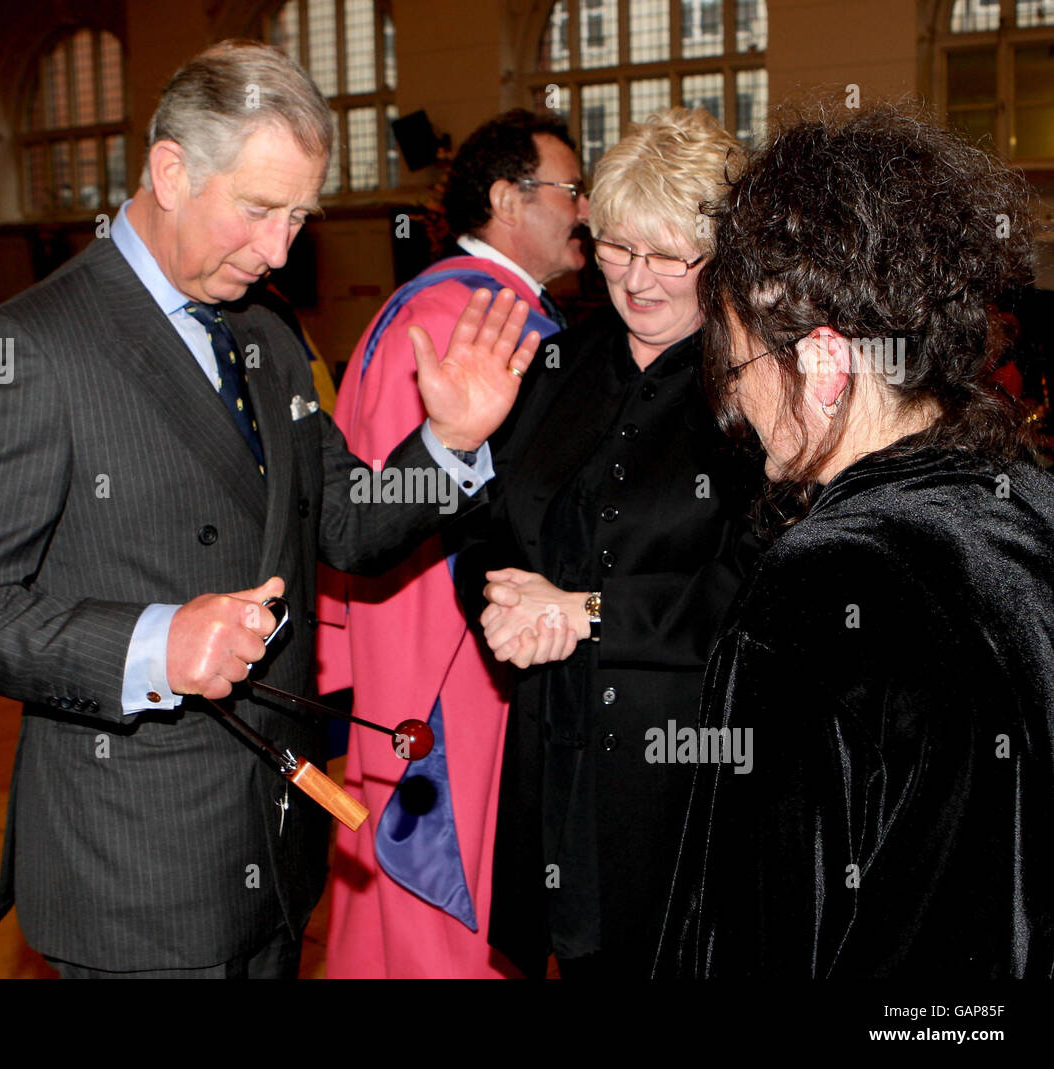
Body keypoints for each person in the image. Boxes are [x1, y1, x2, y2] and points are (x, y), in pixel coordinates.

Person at [0, 40, 540, 979]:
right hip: (136, 871)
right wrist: (150, 644)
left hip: (275, 845)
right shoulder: (33, 348)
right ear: (169, 170)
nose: (279, 247)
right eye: (259, 210)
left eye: (298, 217)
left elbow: (347, 521)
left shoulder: (266, 334)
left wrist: (448, 446)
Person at [654, 104, 1054, 979]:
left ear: (826, 365)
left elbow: (752, 937)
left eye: (744, 367)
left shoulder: (815, 588)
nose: (740, 410)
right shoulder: (1033, 506)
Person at [452, 107, 760, 978]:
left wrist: (585, 610)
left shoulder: (757, 389)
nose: (637, 278)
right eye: (618, 247)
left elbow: (752, 592)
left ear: (724, 256)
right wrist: (501, 604)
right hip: (555, 744)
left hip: (681, 771)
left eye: (669, 256)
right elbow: (486, 527)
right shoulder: (562, 360)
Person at [317, 110, 587, 978]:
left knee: (385, 923)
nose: (585, 211)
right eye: (571, 190)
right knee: (442, 914)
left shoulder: (431, 304)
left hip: (401, 665)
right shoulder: (478, 326)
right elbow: (399, 515)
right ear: (510, 198)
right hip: (450, 678)